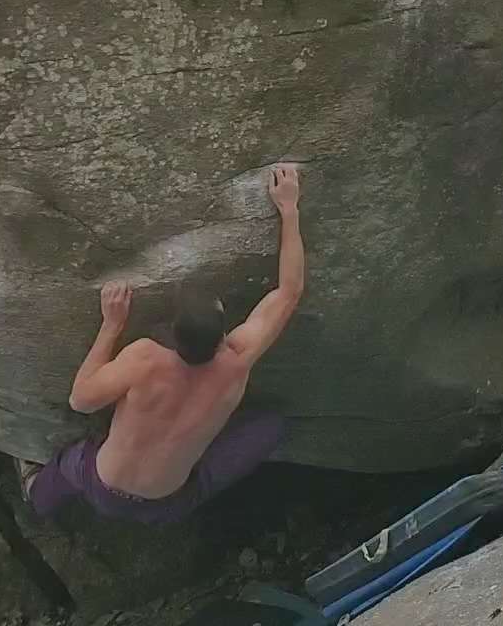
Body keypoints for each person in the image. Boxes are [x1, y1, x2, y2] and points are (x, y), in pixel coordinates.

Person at [21, 163, 304, 524]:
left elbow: (81, 400)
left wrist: (111, 325)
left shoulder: (144, 359)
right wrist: (289, 209)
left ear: (172, 335)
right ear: (222, 335)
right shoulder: (237, 362)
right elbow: (289, 291)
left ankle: (37, 496)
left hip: (100, 485)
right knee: (271, 427)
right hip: (166, 505)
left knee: (68, 463)